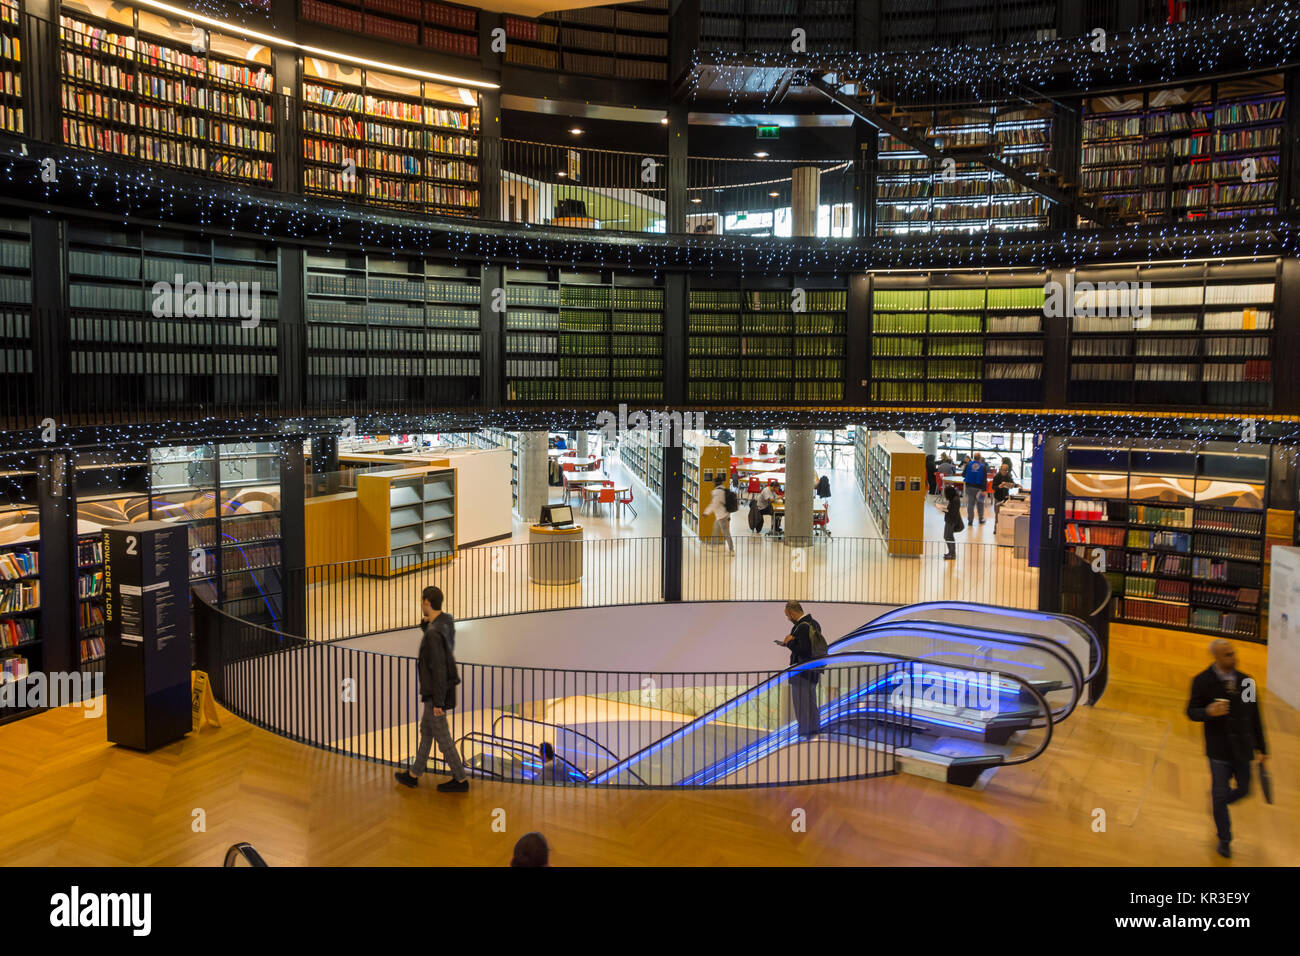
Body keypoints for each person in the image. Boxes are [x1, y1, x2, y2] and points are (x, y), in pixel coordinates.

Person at [1186, 639, 1268, 859]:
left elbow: (1254, 715)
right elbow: (1191, 711)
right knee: (1220, 794)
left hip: (1242, 749)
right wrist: (1208, 712)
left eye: (1233, 653)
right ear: (1216, 657)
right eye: (1227, 655)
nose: (1233, 657)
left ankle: (1219, 803)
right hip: (1219, 750)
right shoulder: (1202, 682)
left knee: (1244, 790)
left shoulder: (1246, 682)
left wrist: (1262, 747)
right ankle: (1225, 838)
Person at [395, 585, 470, 792]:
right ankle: (413, 774)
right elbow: (434, 631)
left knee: (442, 737)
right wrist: (426, 623)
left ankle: (460, 779)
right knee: (426, 731)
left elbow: (438, 669)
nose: (420, 604)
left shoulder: (434, 634)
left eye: (421, 601)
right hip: (438, 691)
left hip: (436, 693)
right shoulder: (446, 621)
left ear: (427, 602)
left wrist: (438, 701)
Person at [780, 601, 822, 738]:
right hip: (813, 672)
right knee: (811, 704)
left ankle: (804, 735)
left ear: (792, 613)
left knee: (801, 706)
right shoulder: (814, 623)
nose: (788, 619)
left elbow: (804, 651)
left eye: (788, 615)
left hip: (801, 672)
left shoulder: (801, 627)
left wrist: (789, 643)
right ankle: (815, 731)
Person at [703, 476, 735, 555]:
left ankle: (731, 549)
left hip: (721, 515)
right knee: (716, 528)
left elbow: (714, 504)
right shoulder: (724, 489)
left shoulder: (717, 492)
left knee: (726, 533)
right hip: (724, 514)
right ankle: (712, 545)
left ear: (716, 483)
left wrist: (706, 512)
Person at [991, 461, 1020, 531]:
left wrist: (1017, 485)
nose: (1005, 471)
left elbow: (1012, 483)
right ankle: (996, 529)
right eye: (1004, 470)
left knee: (1005, 514)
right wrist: (999, 486)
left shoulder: (1008, 476)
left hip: (1005, 498)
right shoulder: (996, 477)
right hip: (998, 497)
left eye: (1006, 470)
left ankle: (1003, 529)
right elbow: (993, 487)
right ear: (1001, 469)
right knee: (997, 514)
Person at [936, 484, 962, 559]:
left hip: (951, 521)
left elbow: (951, 511)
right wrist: (943, 508)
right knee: (948, 536)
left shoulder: (955, 500)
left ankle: (952, 553)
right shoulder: (955, 498)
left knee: (948, 536)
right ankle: (951, 552)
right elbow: (950, 509)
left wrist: (941, 509)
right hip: (951, 520)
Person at [962, 452, 988, 526]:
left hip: (969, 487)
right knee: (980, 504)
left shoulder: (968, 464)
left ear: (974, 457)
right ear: (980, 458)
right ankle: (981, 519)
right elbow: (984, 479)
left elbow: (963, 474)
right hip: (979, 488)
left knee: (970, 504)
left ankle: (970, 521)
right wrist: (984, 490)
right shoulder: (983, 466)